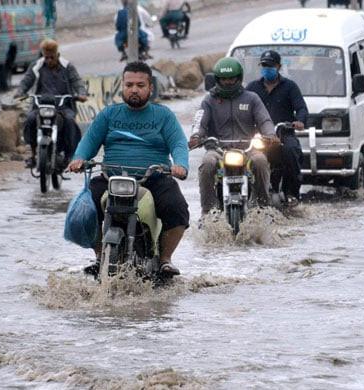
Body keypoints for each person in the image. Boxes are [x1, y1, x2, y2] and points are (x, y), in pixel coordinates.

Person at [67, 61, 189, 277]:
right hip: (111, 178)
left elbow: (179, 143)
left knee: (177, 208)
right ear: (122, 86)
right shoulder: (108, 115)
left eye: (140, 85)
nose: (134, 89)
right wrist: (79, 159)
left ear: (150, 88)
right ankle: (98, 255)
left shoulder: (164, 116)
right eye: (129, 84)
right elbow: (89, 141)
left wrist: (180, 165)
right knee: (86, 210)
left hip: (153, 179)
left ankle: (165, 259)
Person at [189, 57, 276, 215]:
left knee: (261, 161)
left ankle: (264, 207)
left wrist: (270, 134)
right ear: (217, 79)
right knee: (207, 163)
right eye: (224, 79)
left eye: (231, 78)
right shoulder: (209, 100)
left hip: (248, 148)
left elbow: (265, 120)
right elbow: (200, 122)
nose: (228, 82)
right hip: (218, 149)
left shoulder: (252, 98)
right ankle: (207, 211)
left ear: (239, 78)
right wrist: (196, 136)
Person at [15, 39, 88, 169]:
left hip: (63, 106)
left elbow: (77, 82)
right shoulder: (36, 66)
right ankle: (33, 154)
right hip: (41, 106)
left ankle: (70, 155)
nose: (49, 60)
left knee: (70, 121)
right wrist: (20, 92)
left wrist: (81, 93)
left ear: (57, 54)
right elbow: (26, 81)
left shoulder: (67, 66)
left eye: (51, 57)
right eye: (46, 57)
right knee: (30, 119)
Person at [246, 50, 308, 202]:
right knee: (241, 156)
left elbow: (301, 108)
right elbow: (240, 106)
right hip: (258, 136)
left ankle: (291, 194)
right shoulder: (252, 88)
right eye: (264, 66)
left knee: (291, 152)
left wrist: (299, 121)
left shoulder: (290, 87)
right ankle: (243, 194)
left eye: (270, 66)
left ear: (279, 66)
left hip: (283, 134)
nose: (267, 69)